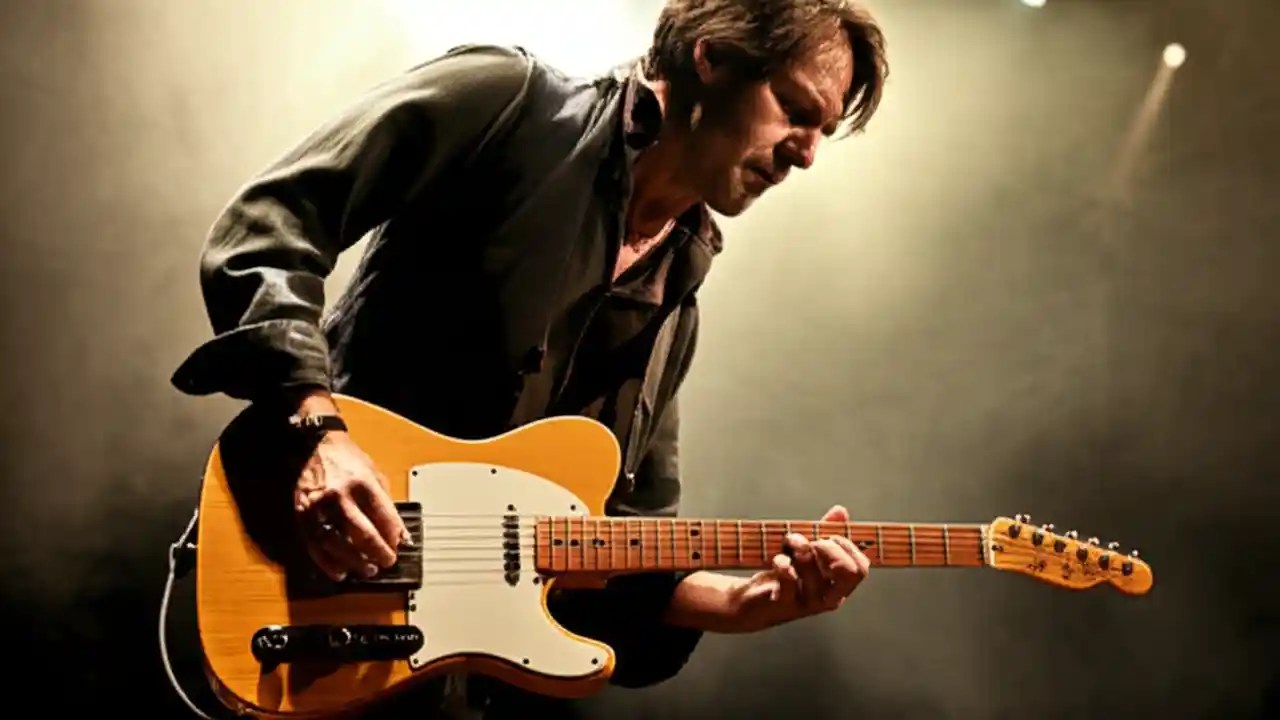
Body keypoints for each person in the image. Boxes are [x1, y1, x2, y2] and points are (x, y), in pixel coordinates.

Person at [171, 0, 889, 716]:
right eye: (796, 109)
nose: (807, 152)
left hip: (430, 685)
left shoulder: (677, 301)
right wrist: (317, 433)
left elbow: (613, 543)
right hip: (291, 583)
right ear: (712, 56)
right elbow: (267, 228)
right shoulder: (507, 102)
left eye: (824, 131)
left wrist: (740, 603)